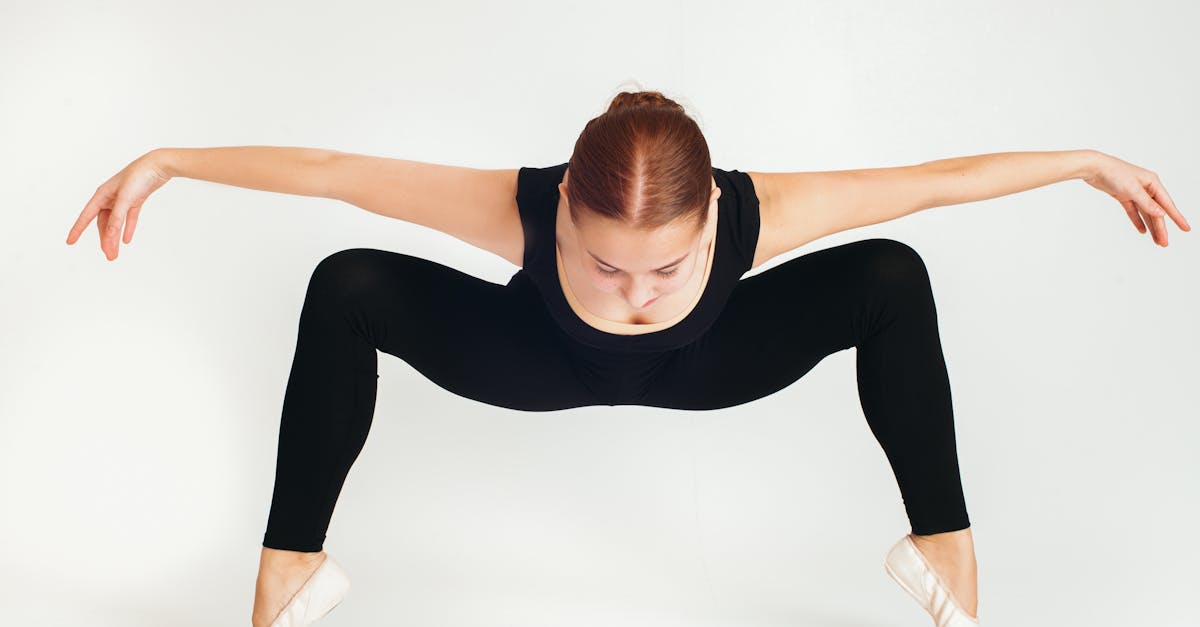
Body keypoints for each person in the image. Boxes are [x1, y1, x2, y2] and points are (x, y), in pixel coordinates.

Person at [66, 89, 1188, 627]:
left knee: (890, 272)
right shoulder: (511, 206)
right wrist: (169, 157)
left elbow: (938, 180)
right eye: (604, 267)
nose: (638, 295)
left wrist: (1087, 161)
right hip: (530, 362)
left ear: (710, 220)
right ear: (563, 215)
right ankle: (289, 571)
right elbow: (326, 166)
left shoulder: (758, 213)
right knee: (346, 280)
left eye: (668, 267)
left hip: (720, 366)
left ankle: (945, 558)